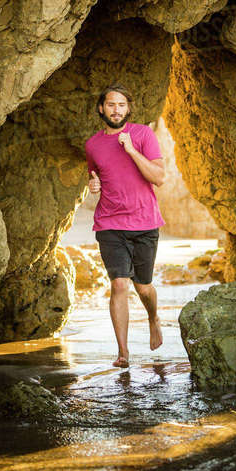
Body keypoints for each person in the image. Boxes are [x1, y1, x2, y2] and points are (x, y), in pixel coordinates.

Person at [85, 84, 166, 368]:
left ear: (128, 109)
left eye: (121, 105)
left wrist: (131, 150)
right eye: (110, 104)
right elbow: (97, 176)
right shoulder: (92, 145)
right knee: (119, 283)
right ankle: (123, 352)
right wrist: (93, 184)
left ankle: (153, 318)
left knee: (143, 288)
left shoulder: (143, 134)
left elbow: (159, 177)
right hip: (110, 223)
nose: (116, 110)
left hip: (144, 223)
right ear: (101, 108)